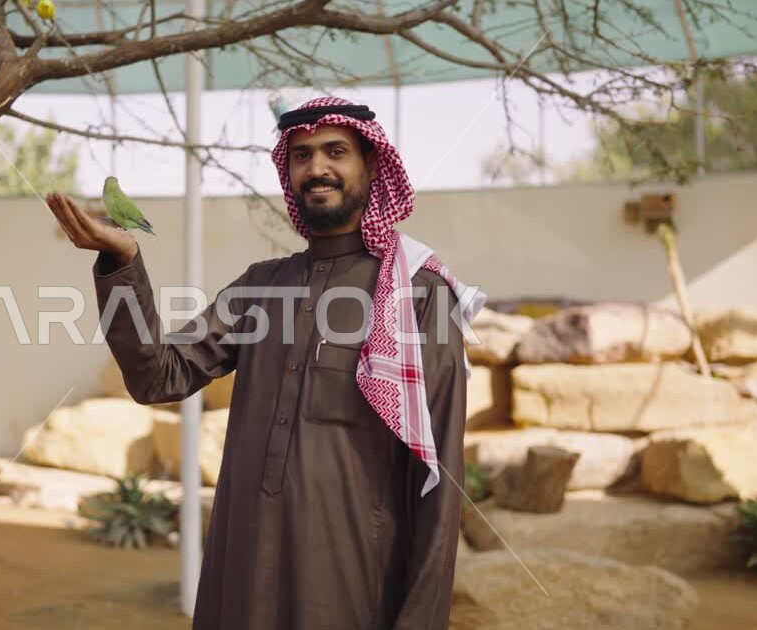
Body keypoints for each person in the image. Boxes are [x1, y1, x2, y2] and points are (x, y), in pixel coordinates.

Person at [45, 96, 484, 630]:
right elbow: (158, 375)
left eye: (335, 151)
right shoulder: (261, 286)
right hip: (246, 576)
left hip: (353, 584)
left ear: (372, 167)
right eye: (300, 156)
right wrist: (123, 262)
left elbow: (438, 481)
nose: (316, 167)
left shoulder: (418, 295)